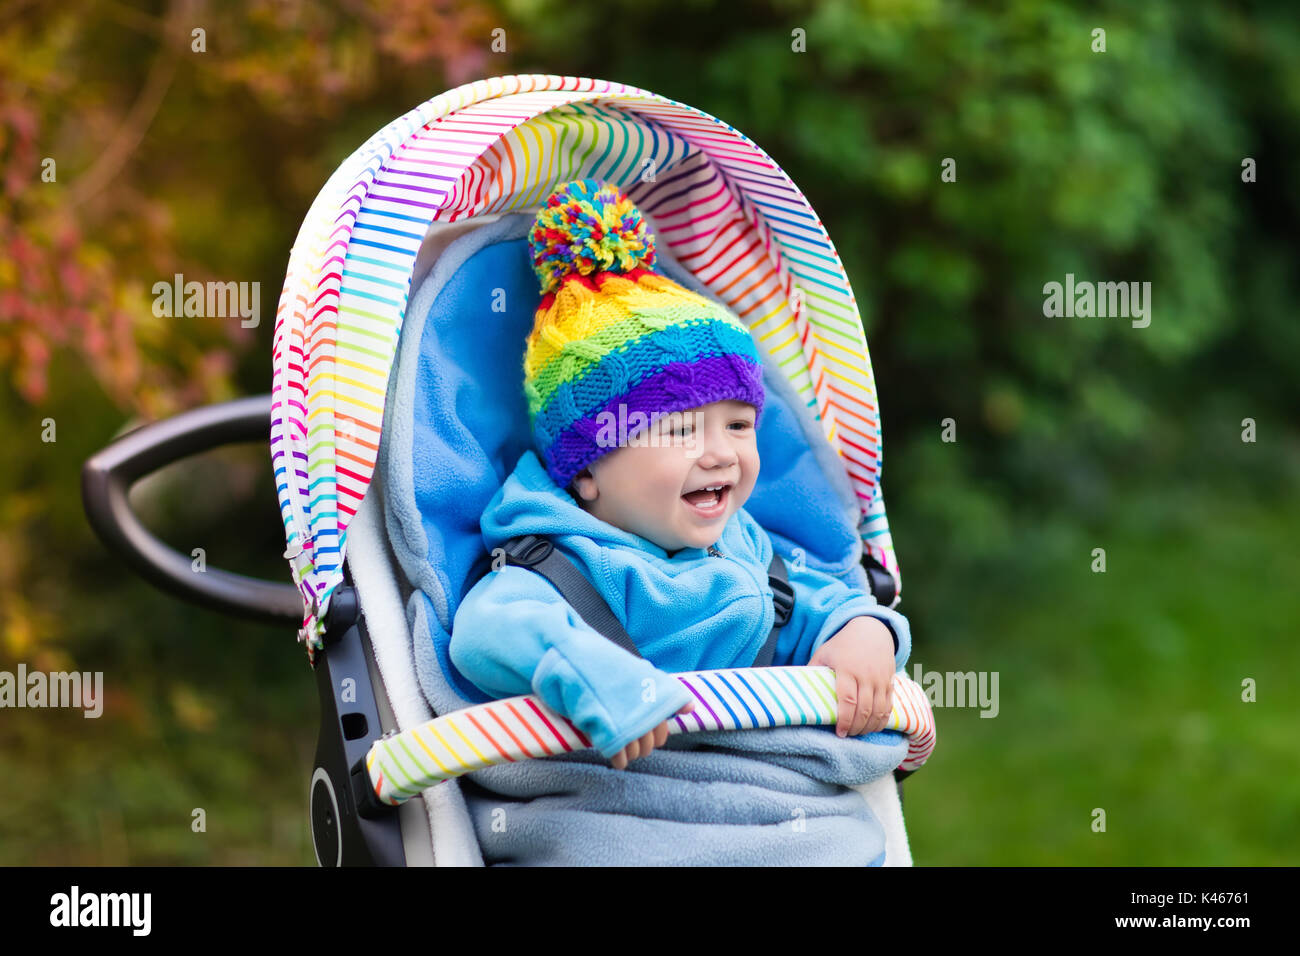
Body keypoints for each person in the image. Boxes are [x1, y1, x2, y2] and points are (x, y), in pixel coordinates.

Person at [449, 179, 911, 770]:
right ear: (587, 468)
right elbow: (487, 630)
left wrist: (861, 631)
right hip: (622, 802)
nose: (721, 454)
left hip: (764, 792)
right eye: (680, 430)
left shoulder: (744, 549)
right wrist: (590, 674)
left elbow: (814, 604)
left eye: (739, 426)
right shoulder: (561, 565)